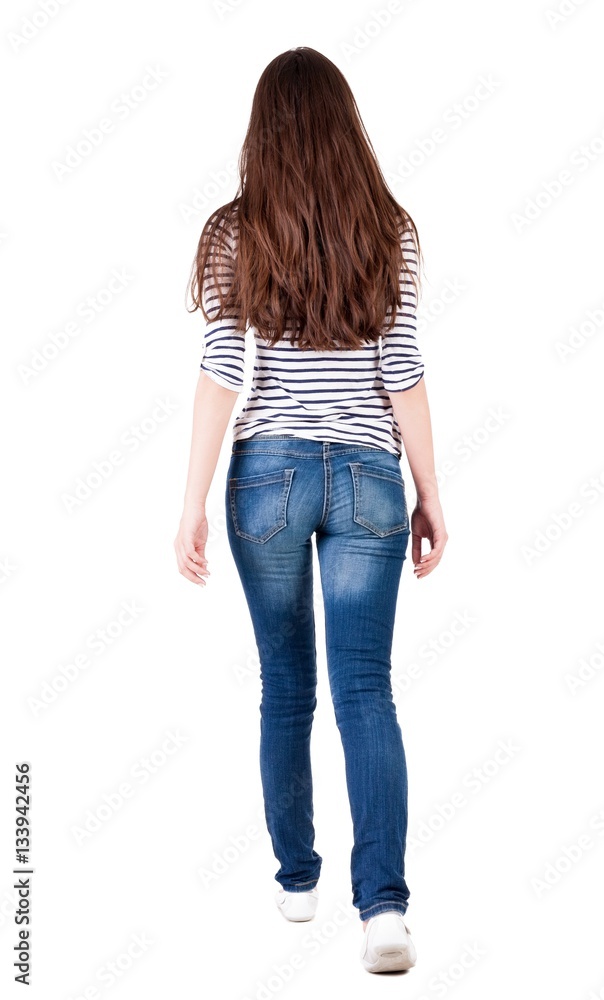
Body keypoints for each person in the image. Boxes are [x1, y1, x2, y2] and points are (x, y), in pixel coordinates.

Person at [174, 46, 447, 975]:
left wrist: (193, 500)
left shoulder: (233, 230)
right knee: (366, 691)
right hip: (371, 472)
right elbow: (400, 370)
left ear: (265, 130)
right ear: (346, 126)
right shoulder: (390, 229)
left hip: (268, 478)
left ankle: (297, 880)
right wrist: (431, 492)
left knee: (286, 686)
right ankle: (385, 913)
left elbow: (222, 369)